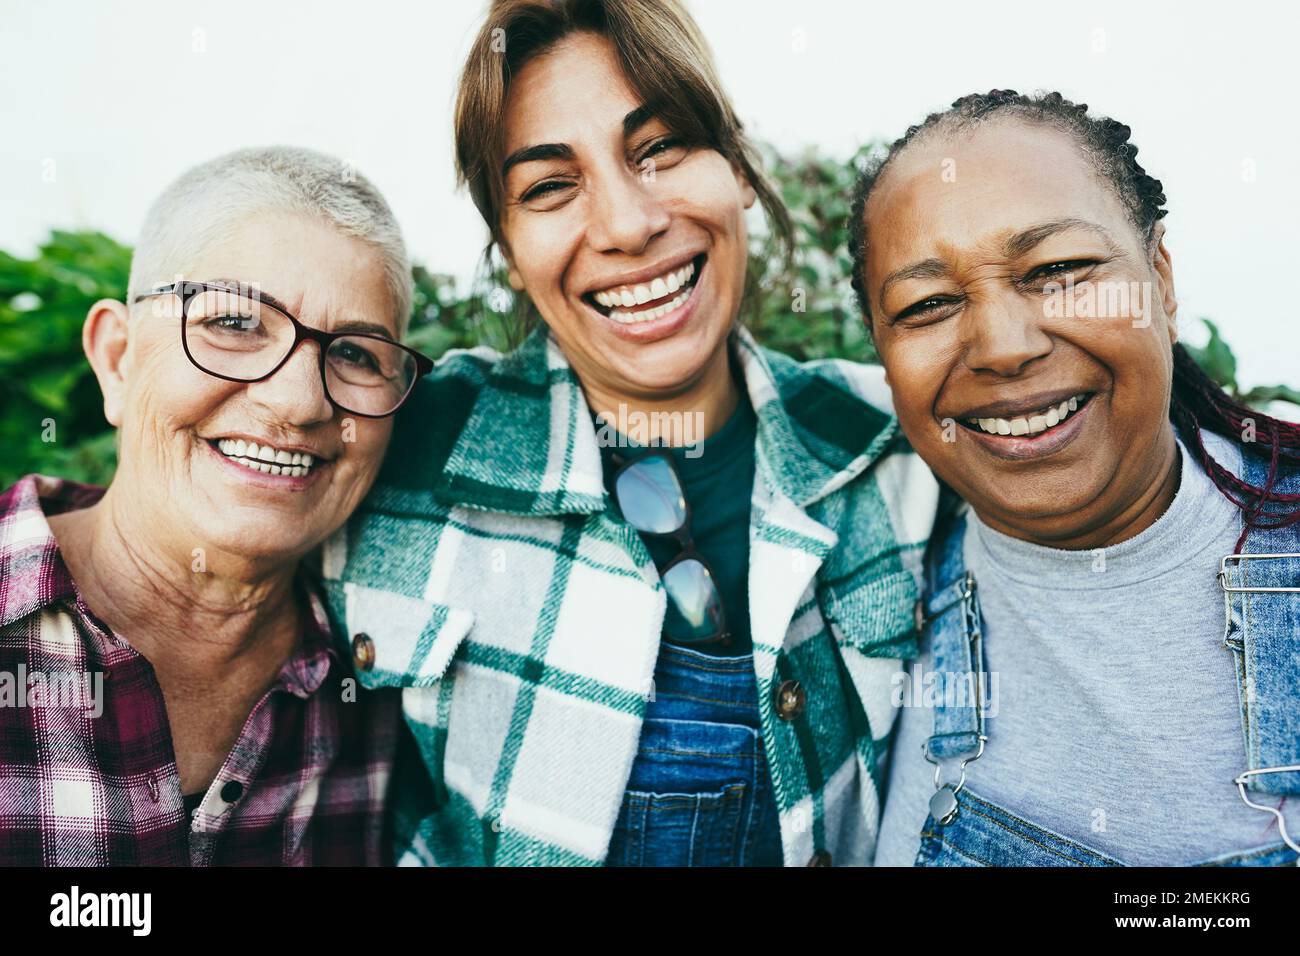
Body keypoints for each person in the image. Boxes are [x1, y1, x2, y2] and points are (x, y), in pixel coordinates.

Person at [322, 0, 938, 866]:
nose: (626, 224)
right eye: (548, 186)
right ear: (508, 246)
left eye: (660, 148)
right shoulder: (398, 447)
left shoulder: (901, 440)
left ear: (738, 168)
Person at [848, 90, 1300, 866]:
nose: (1003, 346)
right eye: (927, 305)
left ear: (1159, 275)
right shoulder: (870, 581)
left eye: (1058, 269)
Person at [0, 146, 433, 865]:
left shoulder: (392, 680)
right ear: (118, 358)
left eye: (356, 355)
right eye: (233, 323)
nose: (297, 403)